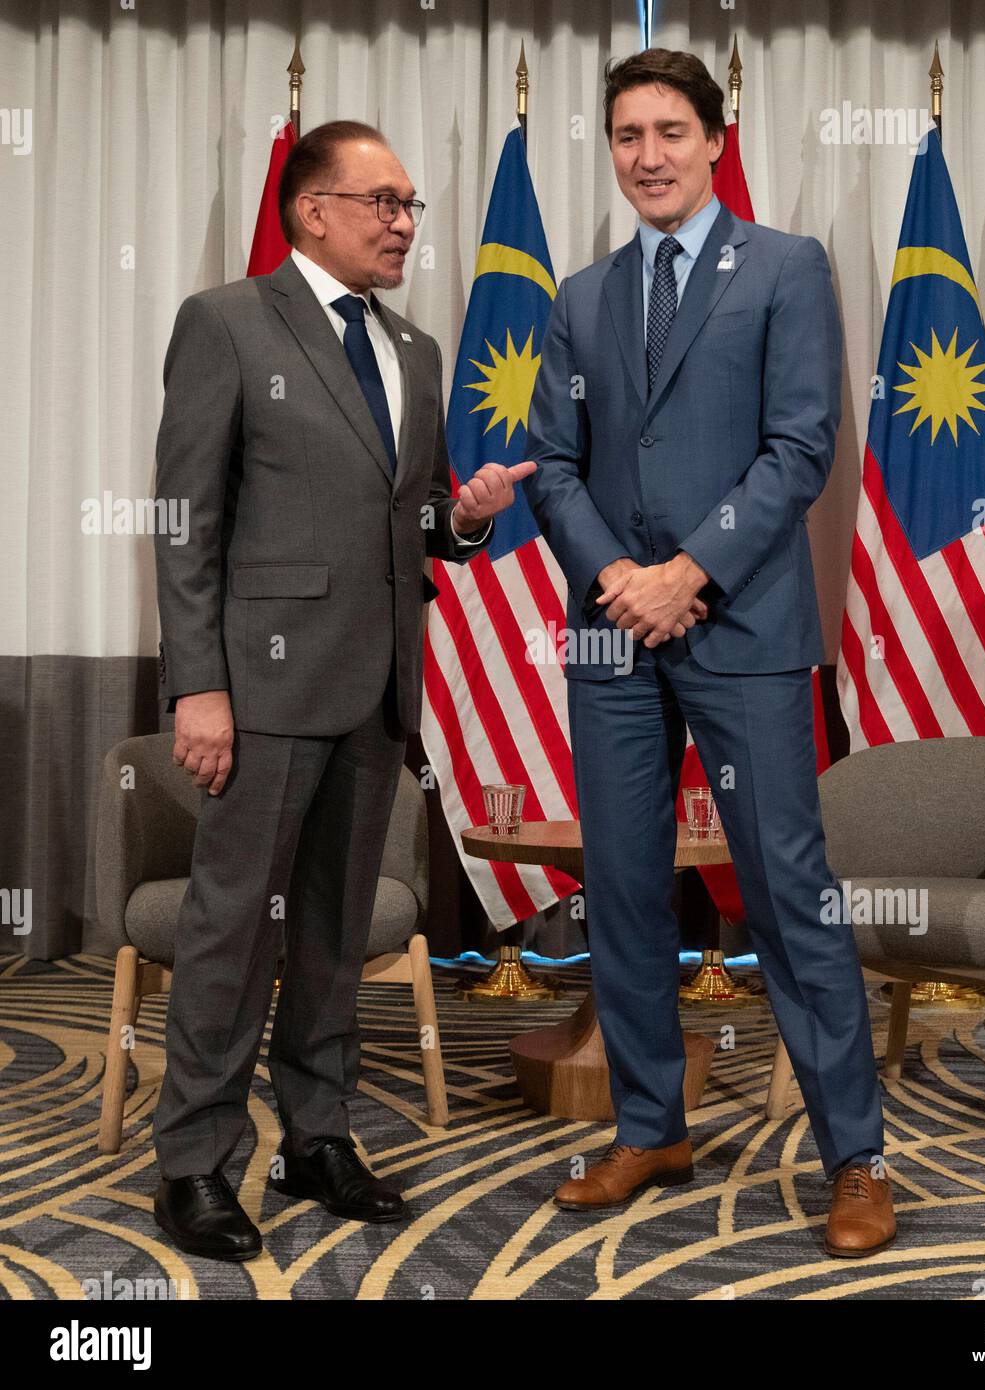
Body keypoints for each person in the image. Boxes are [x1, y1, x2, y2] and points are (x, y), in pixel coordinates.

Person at [522, 50, 895, 1257]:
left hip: (738, 623)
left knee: (785, 894)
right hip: (612, 633)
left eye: (669, 131)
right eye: (626, 134)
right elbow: (554, 466)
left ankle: (855, 1155)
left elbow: (800, 446)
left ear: (713, 139)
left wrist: (687, 572)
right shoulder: (577, 295)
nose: (646, 154)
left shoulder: (785, 267)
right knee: (623, 888)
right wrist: (618, 583)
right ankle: (648, 1126)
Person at [151, 119, 533, 1261]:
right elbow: (187, 526)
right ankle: (194, 1165)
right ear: (312, 209)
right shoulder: (224, 322)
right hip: (259, 693)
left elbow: (404, 520)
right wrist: (199, 688)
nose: (405, 223)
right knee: (231, 934)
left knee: (329, 937)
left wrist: (456, 522)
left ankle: (314, 1136)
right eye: (383, 201)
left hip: (376, 692)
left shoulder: (414, 349)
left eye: (410, 205)